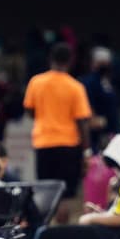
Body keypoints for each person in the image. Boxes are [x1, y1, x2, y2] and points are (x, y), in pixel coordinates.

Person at [23, 42, 93, 207]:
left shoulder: (36, 82)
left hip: (44, 143)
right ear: (71, 60)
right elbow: (82, 121)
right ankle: (63, 226)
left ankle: (47, 226)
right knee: (67, 193)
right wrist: (86, 151)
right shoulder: (75, 87)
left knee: (46, 189)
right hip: (68, 146)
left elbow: (30, 111)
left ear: (50, 59)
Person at [80, 46, 120, 151]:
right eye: (101, 62)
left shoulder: (109, 81)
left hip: (110, 131)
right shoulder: (89, 81)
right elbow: (88, 103)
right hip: (96, 134)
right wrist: (93, 119)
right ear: (94, 63)